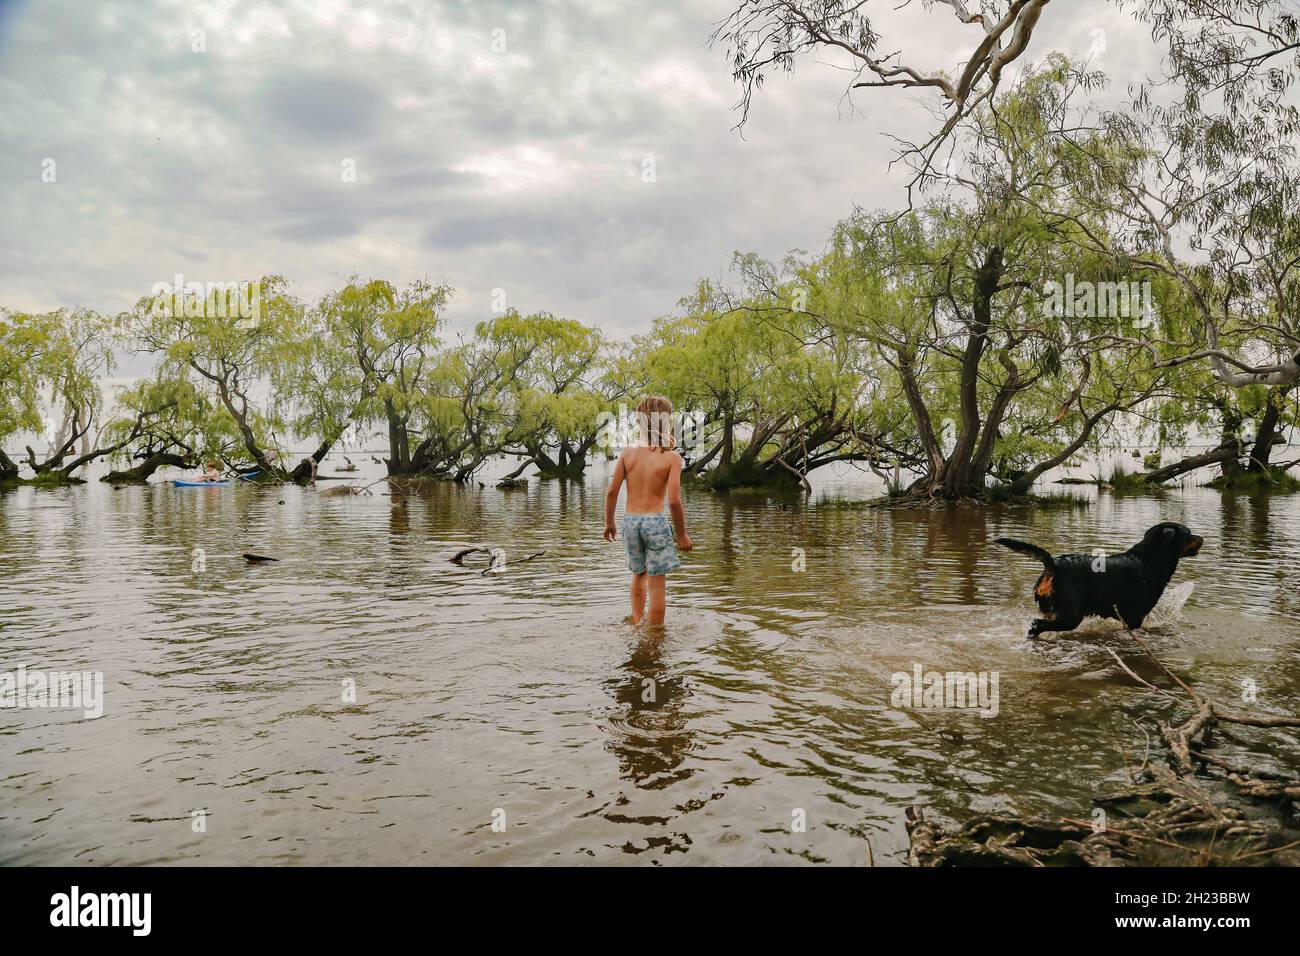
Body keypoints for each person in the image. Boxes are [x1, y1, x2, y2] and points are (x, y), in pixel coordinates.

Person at [604, 396, 693, 626]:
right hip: (654, 523)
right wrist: (681, 534)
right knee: (657, 586)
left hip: (630, 522)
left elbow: (612, 491)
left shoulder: (627, 453)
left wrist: (609, 523)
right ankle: (654, 638)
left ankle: (636, 622)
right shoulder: (672, 458)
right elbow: (674, 501)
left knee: (638, 574)